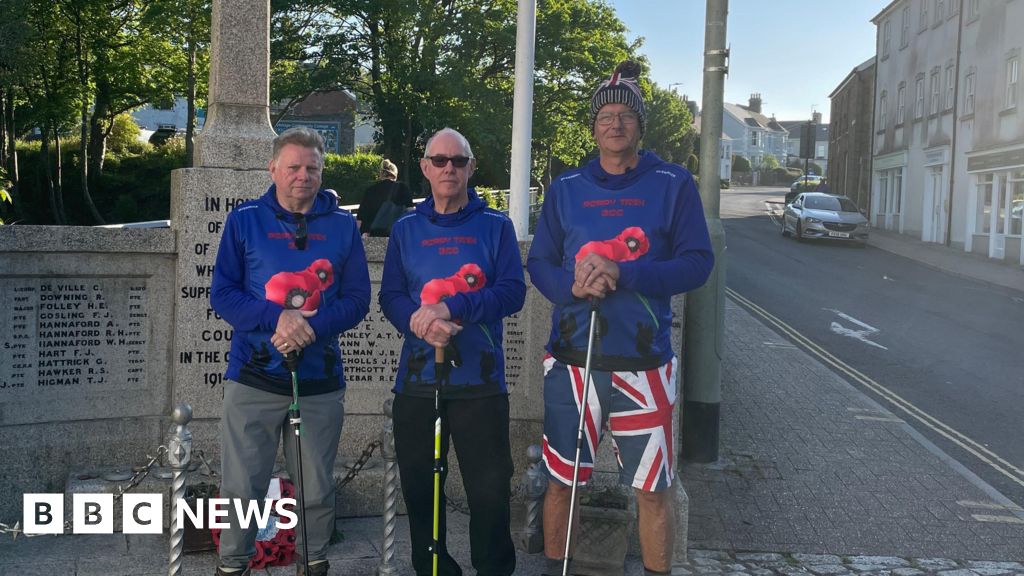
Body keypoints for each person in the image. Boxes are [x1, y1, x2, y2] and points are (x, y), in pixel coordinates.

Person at [526, 61, 714, 576]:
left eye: (625, 116)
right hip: (573, 362)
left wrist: (625, 272)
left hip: (645, 364)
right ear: (593, 126)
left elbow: (698, 264)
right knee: (562, 482)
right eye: (605, 116)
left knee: (653, 489)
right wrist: (571, 287)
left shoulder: (673, 183)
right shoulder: (566, 186)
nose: (615, 123)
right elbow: (539, 263)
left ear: (640, 125)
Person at [210, 126, 371, 576]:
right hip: (254, 375)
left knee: (316, 487)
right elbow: (222, 293)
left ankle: (313, 561)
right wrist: (276, 318)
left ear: (322, 172)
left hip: (318, 379)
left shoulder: (343, 226)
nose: (303, 176)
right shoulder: (244, 220)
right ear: (273, 169)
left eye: (312, 168)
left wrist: (308, 328)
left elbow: (357, 299)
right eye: (294, 167)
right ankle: (232, 565)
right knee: (241, 486)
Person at [379, 127, 526, 576]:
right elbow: (391, 295)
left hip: (480, 383)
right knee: (421, 489)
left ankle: (493, 568)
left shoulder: (497, 226)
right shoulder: (405, 228)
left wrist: (451, 307)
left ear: (471, 168)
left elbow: (512, 292)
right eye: (440, 161)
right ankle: (433, 567)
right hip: (418, 381)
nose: (449, 169)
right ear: (425, 168)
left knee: (489, 489)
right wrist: (420, 321)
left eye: (458, 161)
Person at [357, 158, 414, 237]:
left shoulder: (370, 191)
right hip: (397, 235)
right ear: (395, 174)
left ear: (381, 175)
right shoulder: (402, 188)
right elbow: (410, 213)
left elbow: (360, 220)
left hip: (373, 236)